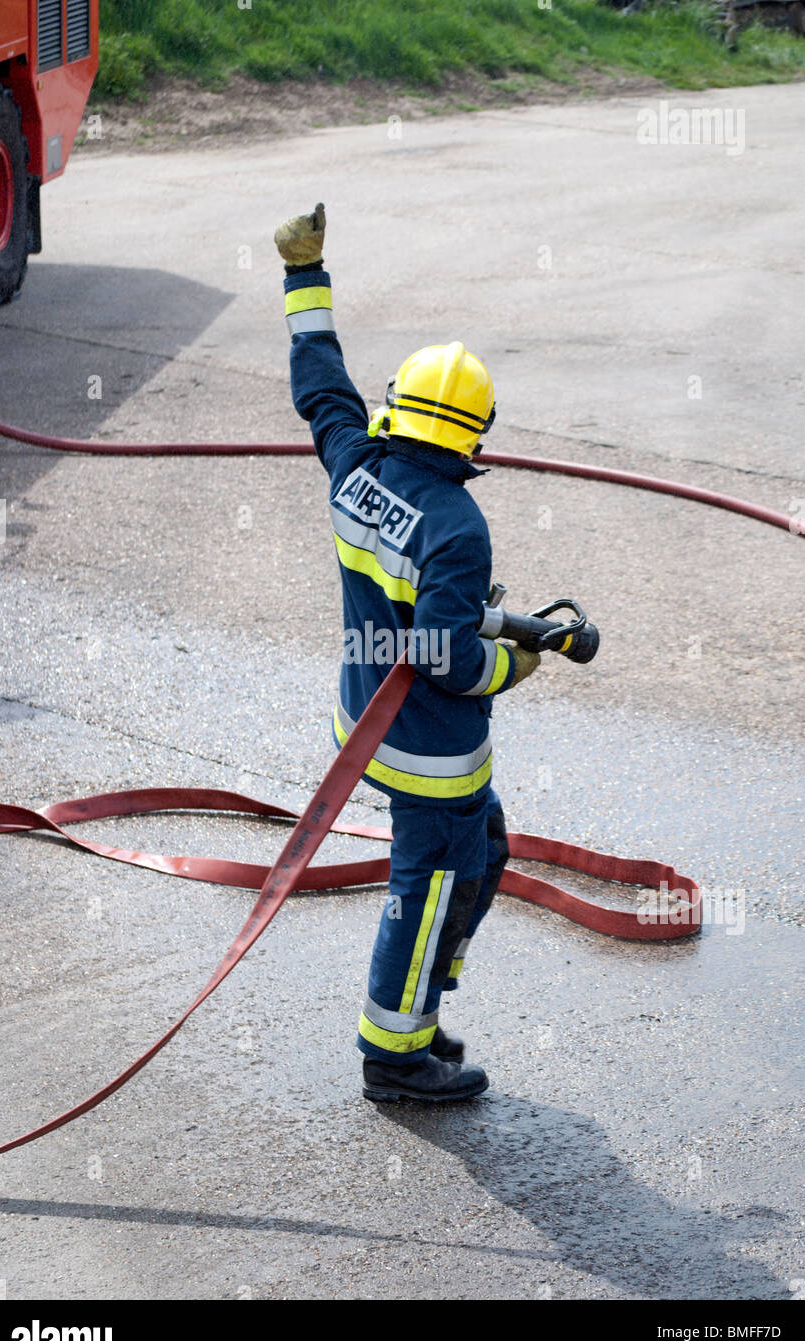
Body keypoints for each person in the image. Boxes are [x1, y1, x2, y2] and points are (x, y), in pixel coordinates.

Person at [274, 203, 539, 1103]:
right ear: (473, 431)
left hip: (366, 722)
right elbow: (446, 656)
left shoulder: (354, 460)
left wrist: (303, 273)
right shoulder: (459, 524)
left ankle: (422, 1001)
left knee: (486, 848)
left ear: (398, 406)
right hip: (431, 749)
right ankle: (394, 1057)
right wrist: (516, 662)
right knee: (429, 884)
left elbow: (320, 384)